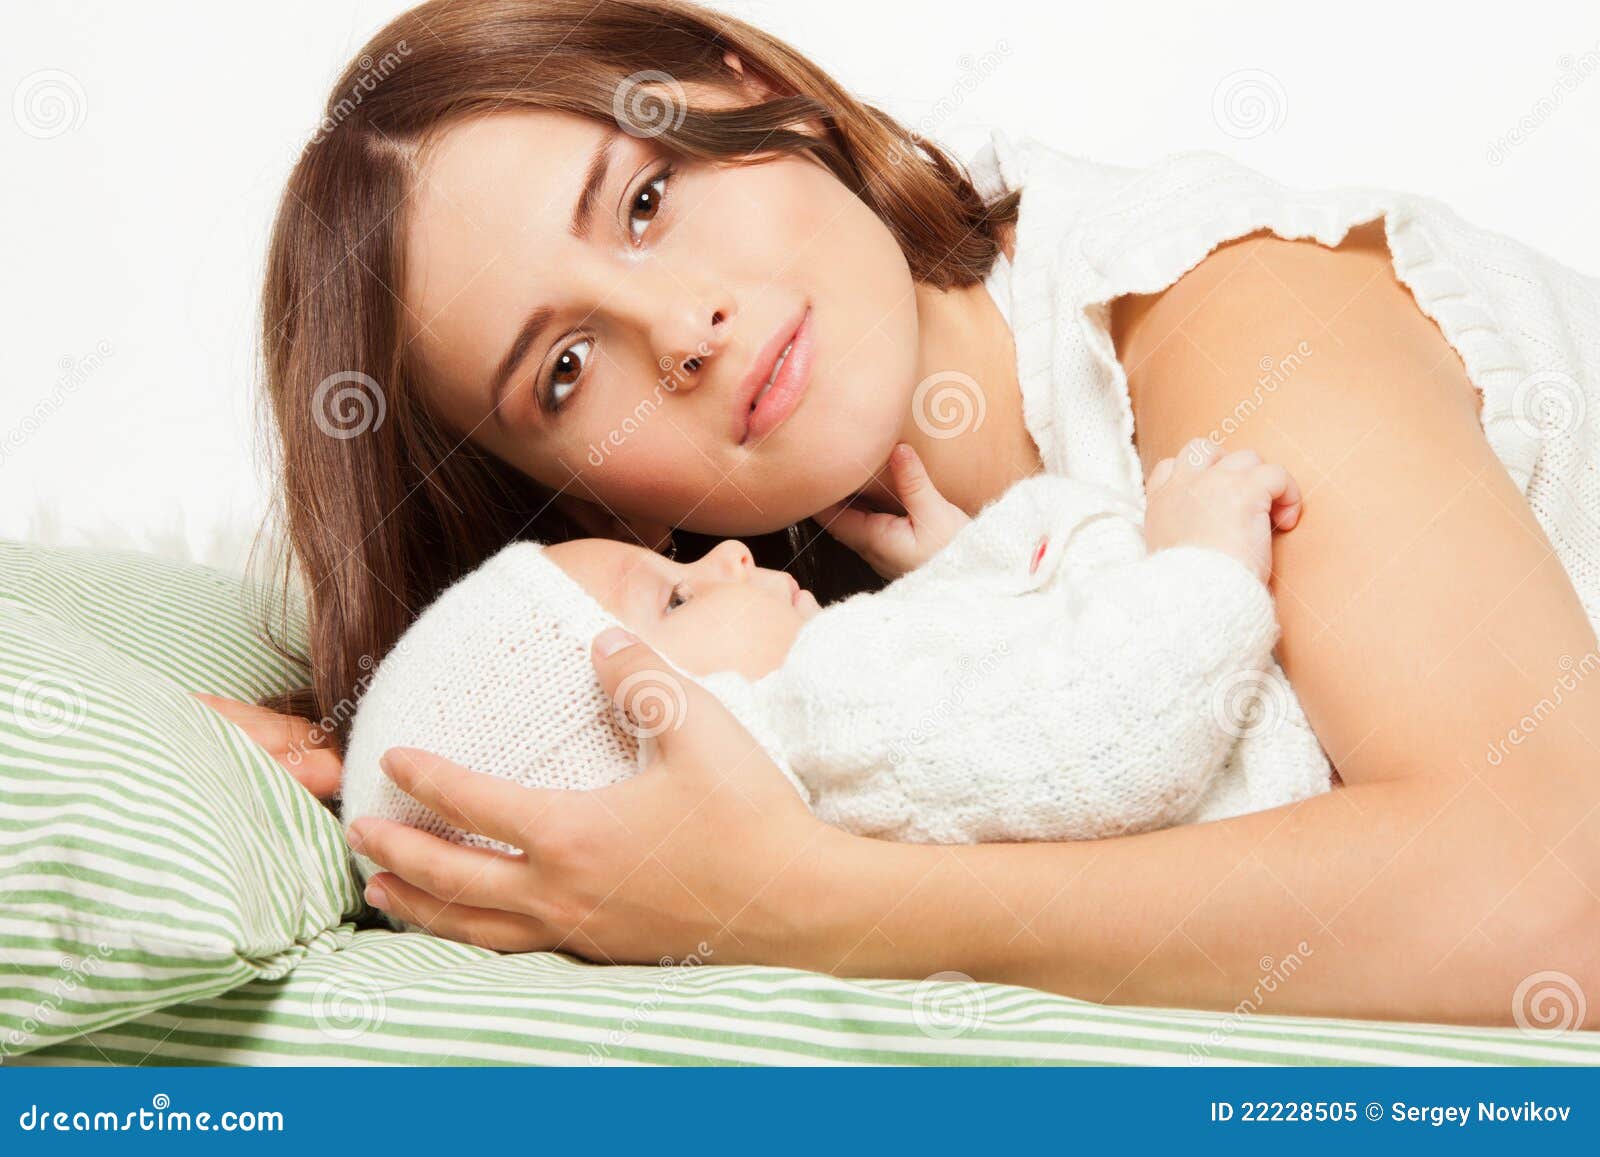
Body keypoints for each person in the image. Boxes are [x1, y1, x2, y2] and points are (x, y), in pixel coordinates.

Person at [205, 0, 1600, 1025]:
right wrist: (365, 759)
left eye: (644, 199)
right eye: (565, 370)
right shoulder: (824, 636)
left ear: (757, 91)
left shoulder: (1223, 308)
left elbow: (1554, 901)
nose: (677, 335)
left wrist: (801, 907)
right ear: (579, 509)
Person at [338, 444, 1328, 868]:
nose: (727, 553)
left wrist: (959, 570)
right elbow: (1110, 728)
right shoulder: (811, 714)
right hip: (1273, 759)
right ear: (650, 742)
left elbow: (989, 718)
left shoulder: (821, 756)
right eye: (677, 593)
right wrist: (1203, 558)